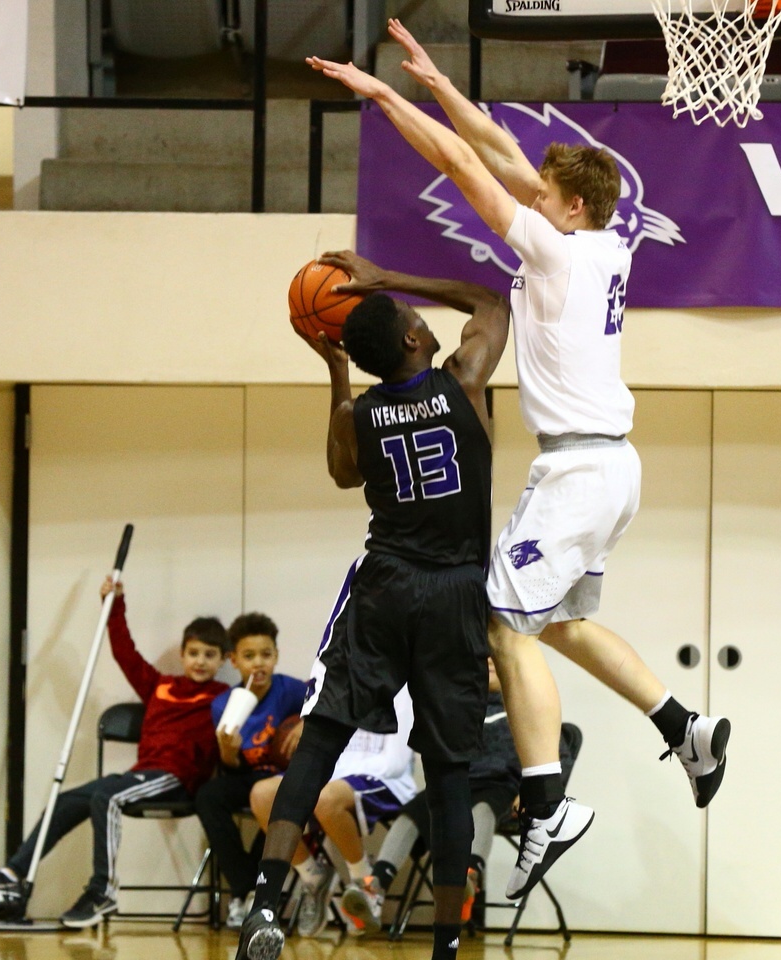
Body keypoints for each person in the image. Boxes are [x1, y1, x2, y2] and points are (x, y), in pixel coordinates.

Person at [311, 19, 730, 901]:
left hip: (579, 469)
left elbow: (469, 169)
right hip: (612, 469)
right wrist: (433, 79)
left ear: (568, 206)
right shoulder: (605, 242)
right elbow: (498, 148)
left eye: (543, 193)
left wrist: (384, 97)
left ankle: (547, 805)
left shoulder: (552, 244)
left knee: (502, 620)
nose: (530, 196)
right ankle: (684, 723)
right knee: (562, 624)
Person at [235, 250, 509, 960]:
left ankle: (265, 904)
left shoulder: (362, 413)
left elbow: (338, 475)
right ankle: (446, 943)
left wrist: (334, 371)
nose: (426, 323)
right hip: (452, 592)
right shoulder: (464, 383)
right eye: (419, 319)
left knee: (322, 736)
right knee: (448, 772)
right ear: (417, 340)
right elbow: (491, 302)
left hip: (385, 586)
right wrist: (391, 279)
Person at [0, 577, 230, 928]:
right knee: (66, 801)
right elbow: (124, 653)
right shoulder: (161, 686)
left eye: (210, 655)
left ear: (224, 659)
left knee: (107, 795)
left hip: (176, 779)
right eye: (194, 653)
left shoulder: (223, 697)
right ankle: (12, 875)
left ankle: (102, 890)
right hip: (140, 774)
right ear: (183, 654)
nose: (200, 661)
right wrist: (114, 604)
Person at [353, 658, 575, 933]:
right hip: (455, 784)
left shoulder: (526, 704)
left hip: (501, 787)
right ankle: (375, 888)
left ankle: (467, 879)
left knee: (482, 809)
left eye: (497, 656)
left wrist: (534, 794)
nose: (491, 661)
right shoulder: (463, 706)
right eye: (485, 657)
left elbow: (557, 757)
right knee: (411, 813)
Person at [248, 687, 417, 936]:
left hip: (385, 777)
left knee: (326, 799)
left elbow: (395, 763)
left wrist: (335, 776)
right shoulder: (338, 674)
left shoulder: (403, 686)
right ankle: (313, 877)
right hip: (333, 773)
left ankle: (364, 884)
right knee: (262, 795)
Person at [195, 612, 308, 928]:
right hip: (245, 774)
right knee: (208, 796)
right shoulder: (223, 704)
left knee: (275, 803)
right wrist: (228, 752)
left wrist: (306, 722)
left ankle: (254, 896)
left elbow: (326, 704)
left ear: (276, 656)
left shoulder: (293, 691)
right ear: (234, 660)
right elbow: (231, 767)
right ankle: (246, 889)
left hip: (279, 781)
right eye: (249, 656)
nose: (258, 663)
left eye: (266, 654)